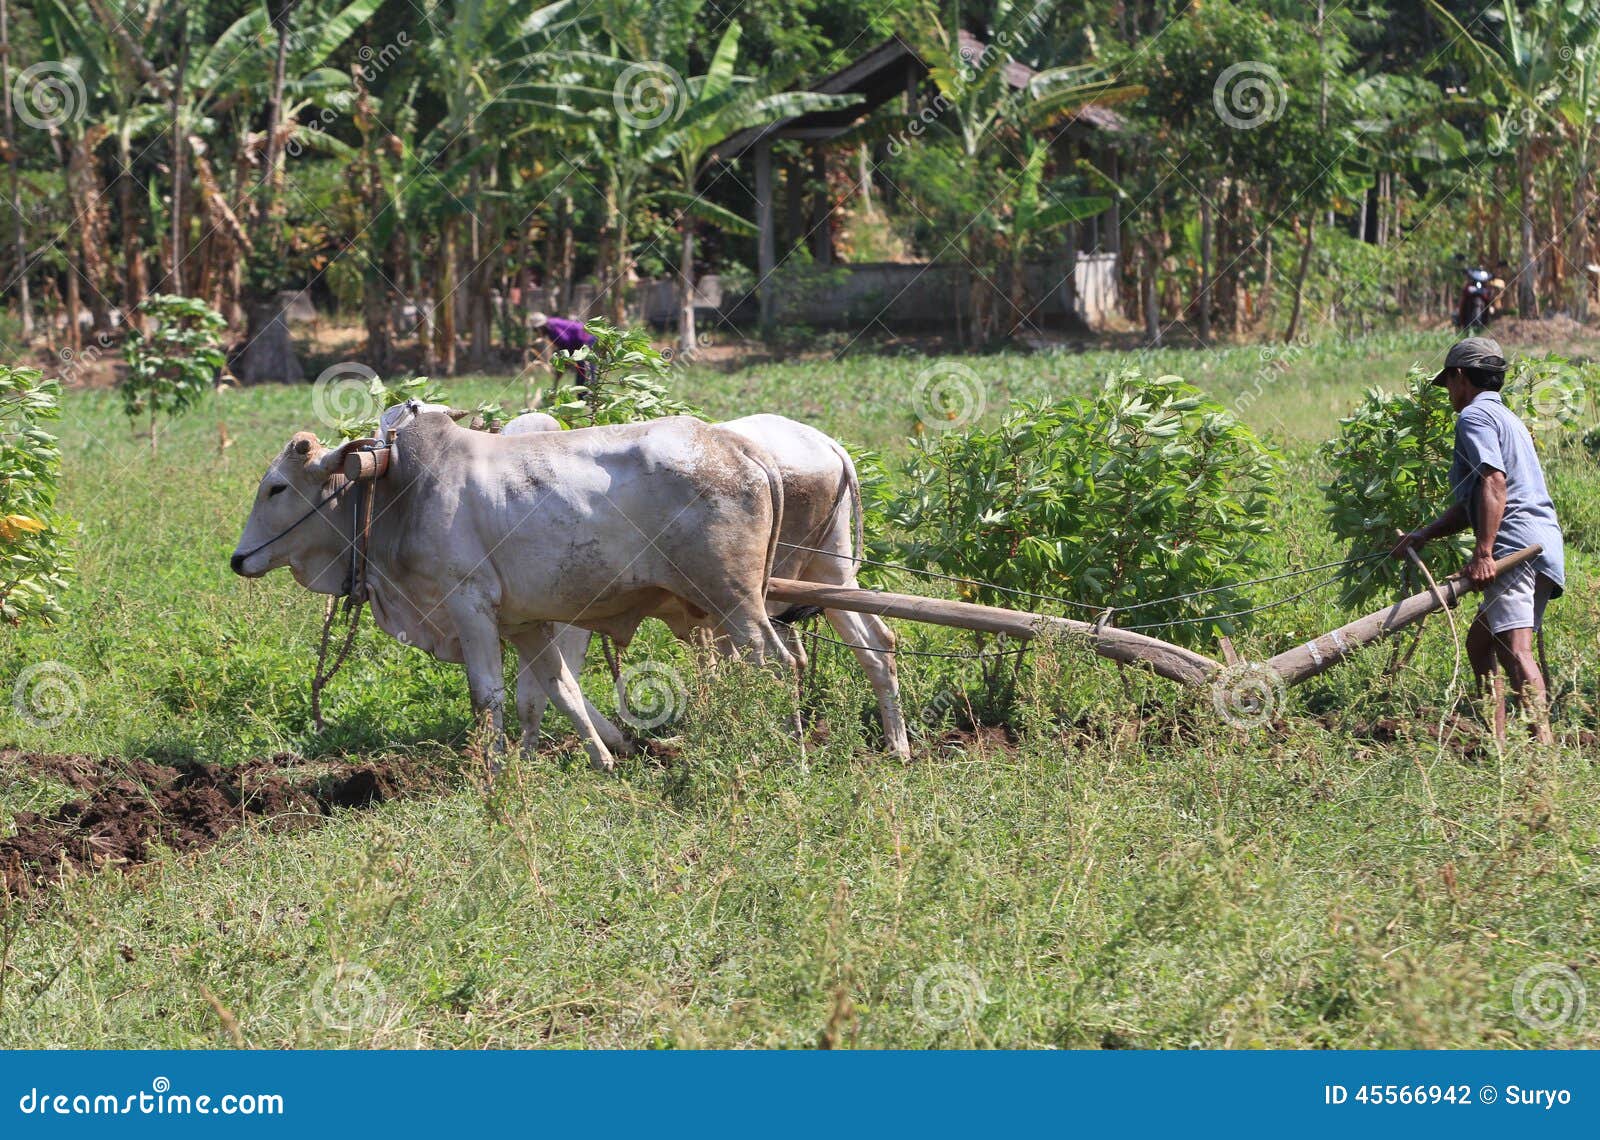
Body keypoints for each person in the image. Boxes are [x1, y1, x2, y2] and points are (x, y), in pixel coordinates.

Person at [1392, 336, 1565, 745]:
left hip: (1515, 545)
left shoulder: (1473, 418)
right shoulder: (1508, 419)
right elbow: (1471, 502)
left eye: (1449, 383)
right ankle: (1498, 743)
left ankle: (1544, 756)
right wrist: (1425, 534)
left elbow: (1494, 482)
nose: (1449, 393)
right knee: (1480, 641)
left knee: (1517, 648)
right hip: (1541, 540)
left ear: (1460, 377)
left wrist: (1484, 553)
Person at [531, 311, 597, 386]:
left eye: (535, 330)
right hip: (580, 341)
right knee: (583, 370)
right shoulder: (551, 325)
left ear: (541, 327)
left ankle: (588, 394)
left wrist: (561, 366)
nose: (536, 333)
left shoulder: (553, 329)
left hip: (586, 339)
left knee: (585, 371)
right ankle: (584, 394)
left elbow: (566, 346)